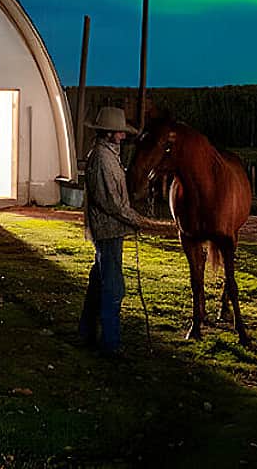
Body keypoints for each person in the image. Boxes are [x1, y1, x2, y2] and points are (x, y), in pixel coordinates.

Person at [77, 106, 152, 356]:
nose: (122, 136)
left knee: (98, 283)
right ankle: (110, 345)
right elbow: (112, 203)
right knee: (113, 287)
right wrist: (139, 221)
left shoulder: (108, 155)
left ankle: (86, 333)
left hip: (110, 230)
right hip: (108, 231)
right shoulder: (103, 159)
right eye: (119, 132)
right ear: (109, 133)